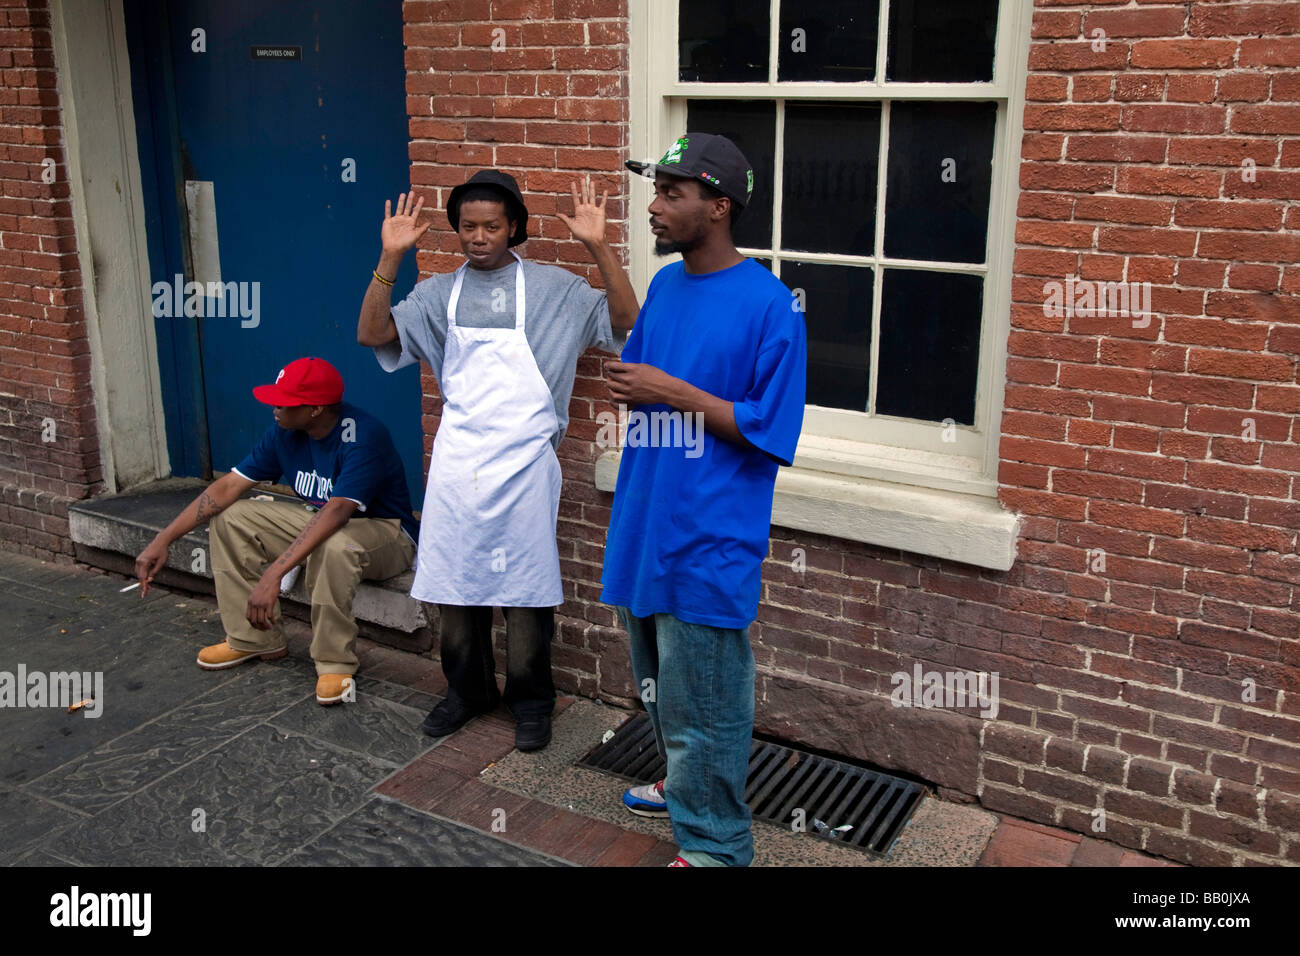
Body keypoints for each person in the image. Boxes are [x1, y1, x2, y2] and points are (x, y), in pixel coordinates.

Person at [358, 170, 638, 751]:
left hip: (526, 462)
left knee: (525, 590)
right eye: (467, 226)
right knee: (456, 588)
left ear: (514, 228)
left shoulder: (556, 290)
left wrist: (598, 246)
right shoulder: (438, 294)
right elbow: (372, 333)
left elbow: (626, 321)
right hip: (460, 461)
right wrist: (389, 258)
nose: (478, 236)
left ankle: (531, 700)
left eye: (491, 225)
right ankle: (467, 691)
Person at [596, 134, 807, 865]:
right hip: (646, 519)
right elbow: (642, 372)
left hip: (710, 534)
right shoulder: (665, 287)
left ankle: (717, 845)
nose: (653, 206)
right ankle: (684, 784)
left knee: (708, 700)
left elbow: (770, 429)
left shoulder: (770, 305)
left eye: (672, 194)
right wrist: (644, 387)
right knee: (659, 686)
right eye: (655, 191)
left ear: (718, 207)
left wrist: (670, 393)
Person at [133, 357, 418, 705]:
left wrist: (275, 572)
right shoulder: (285, 432)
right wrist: (163, 539)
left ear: (315, 408)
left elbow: (339, 511)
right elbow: (226, 489)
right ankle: (253, 639)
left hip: (385, 533)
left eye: (284, 401)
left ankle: (334, 663)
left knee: (335, 545)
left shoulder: (363, 434)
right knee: (230, 516)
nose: (273, 407)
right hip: (324, 520)